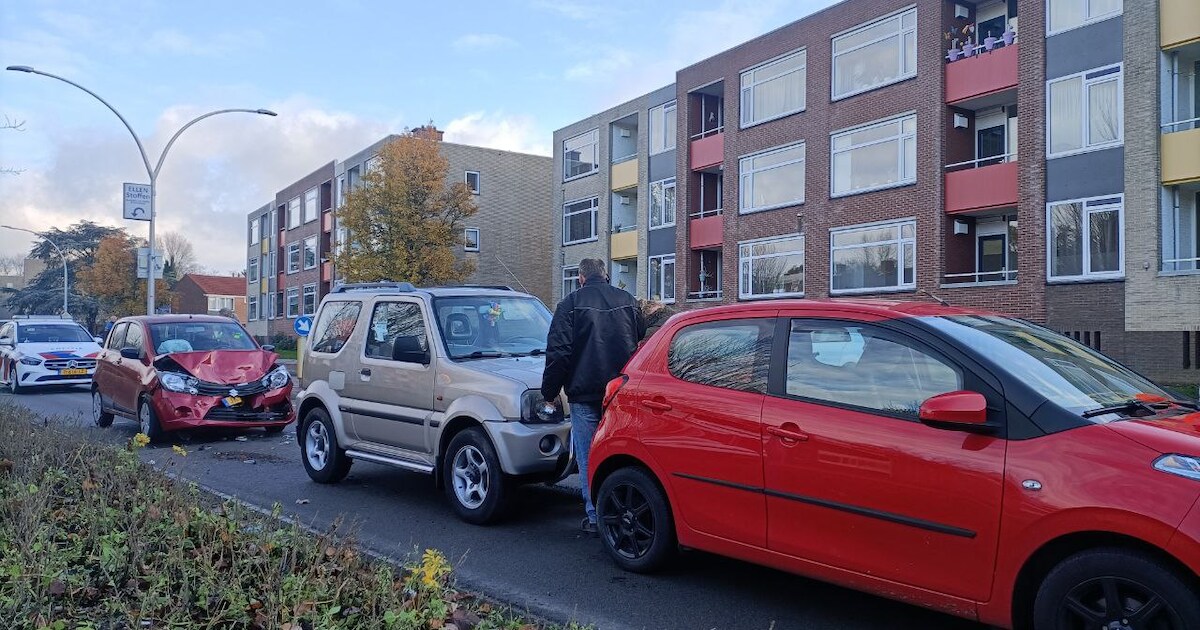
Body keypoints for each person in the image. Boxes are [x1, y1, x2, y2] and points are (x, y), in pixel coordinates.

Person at [542, 258, 644, 535]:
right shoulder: (628, 301)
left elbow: (558, 353)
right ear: (606, 275)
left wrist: (549, 393)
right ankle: (621, 512)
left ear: (581, 278)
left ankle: (595, 517)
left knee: (588, 456)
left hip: (584, 393)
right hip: (620, 393)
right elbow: (640, 340)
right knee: (622, 454)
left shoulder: (569, 304)